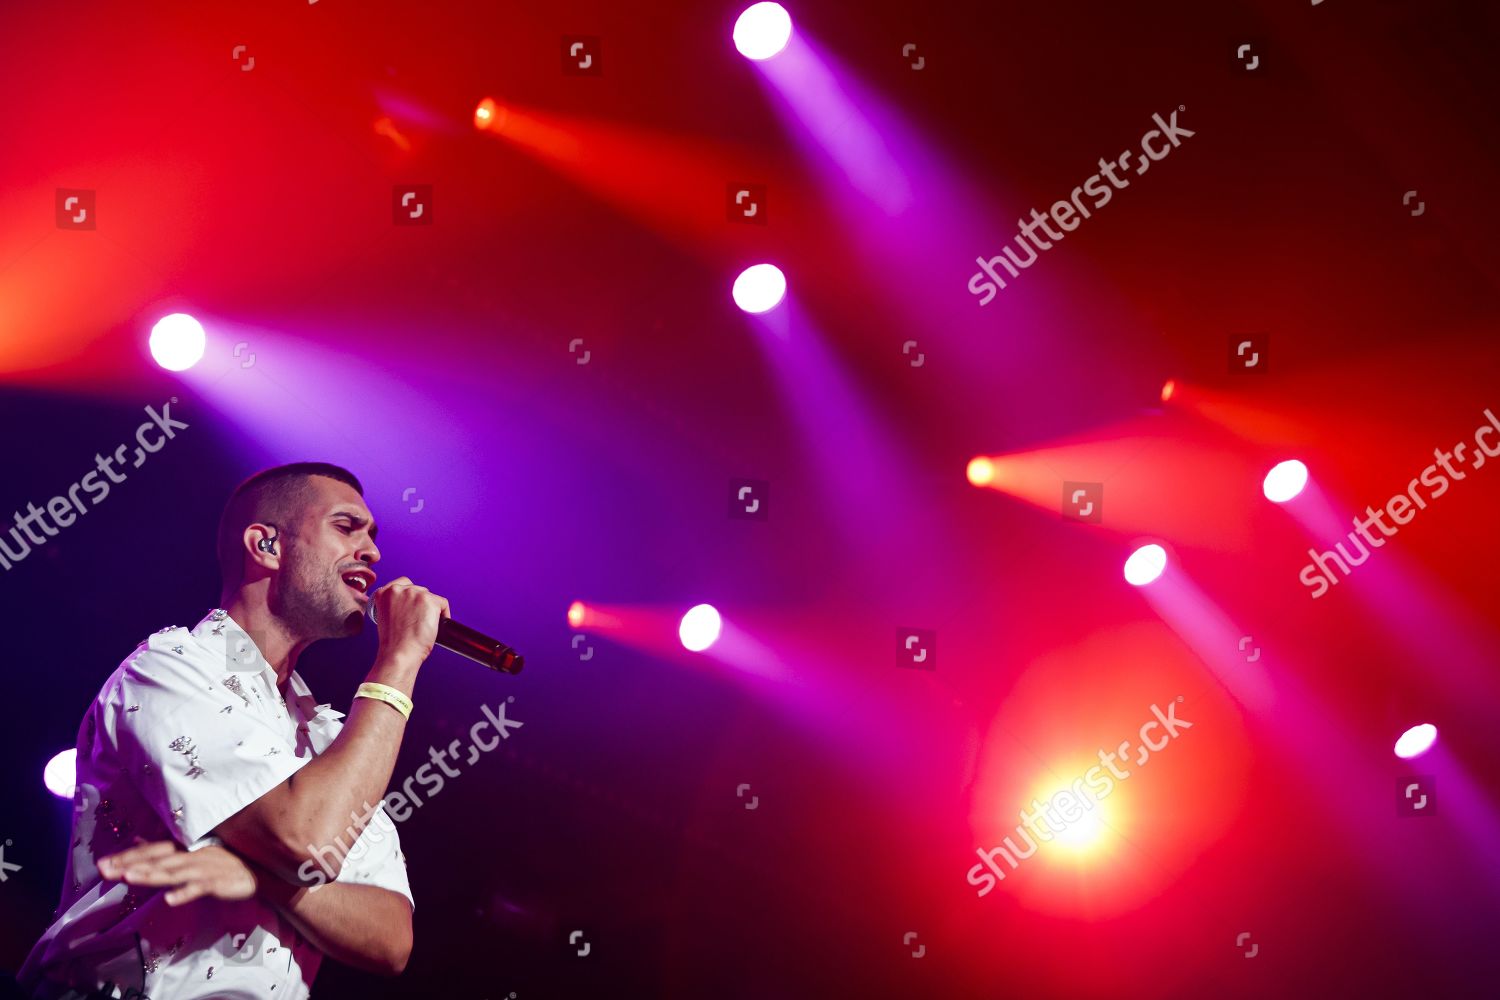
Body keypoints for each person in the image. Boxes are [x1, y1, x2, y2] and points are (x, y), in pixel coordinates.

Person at [19, 462, 451, 1000]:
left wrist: (259, 876)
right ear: (266, 545)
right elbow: (306, 842)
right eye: (347, 527)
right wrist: (400, 659)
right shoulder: (169, 670)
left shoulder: (330, 738)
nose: (373, 552)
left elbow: (390, 938)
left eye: (372, 535)